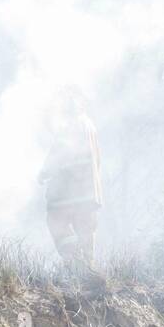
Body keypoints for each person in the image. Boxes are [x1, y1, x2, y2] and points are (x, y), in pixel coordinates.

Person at [40, 111, 103, 264]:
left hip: (67, 192)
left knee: (56, 222)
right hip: (89, 192)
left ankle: (74, 261)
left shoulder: (70, 125)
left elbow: (59, 153)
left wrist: (43, 173)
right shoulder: (90, 126)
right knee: (86, 233)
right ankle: (89, 270)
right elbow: (97, 160)